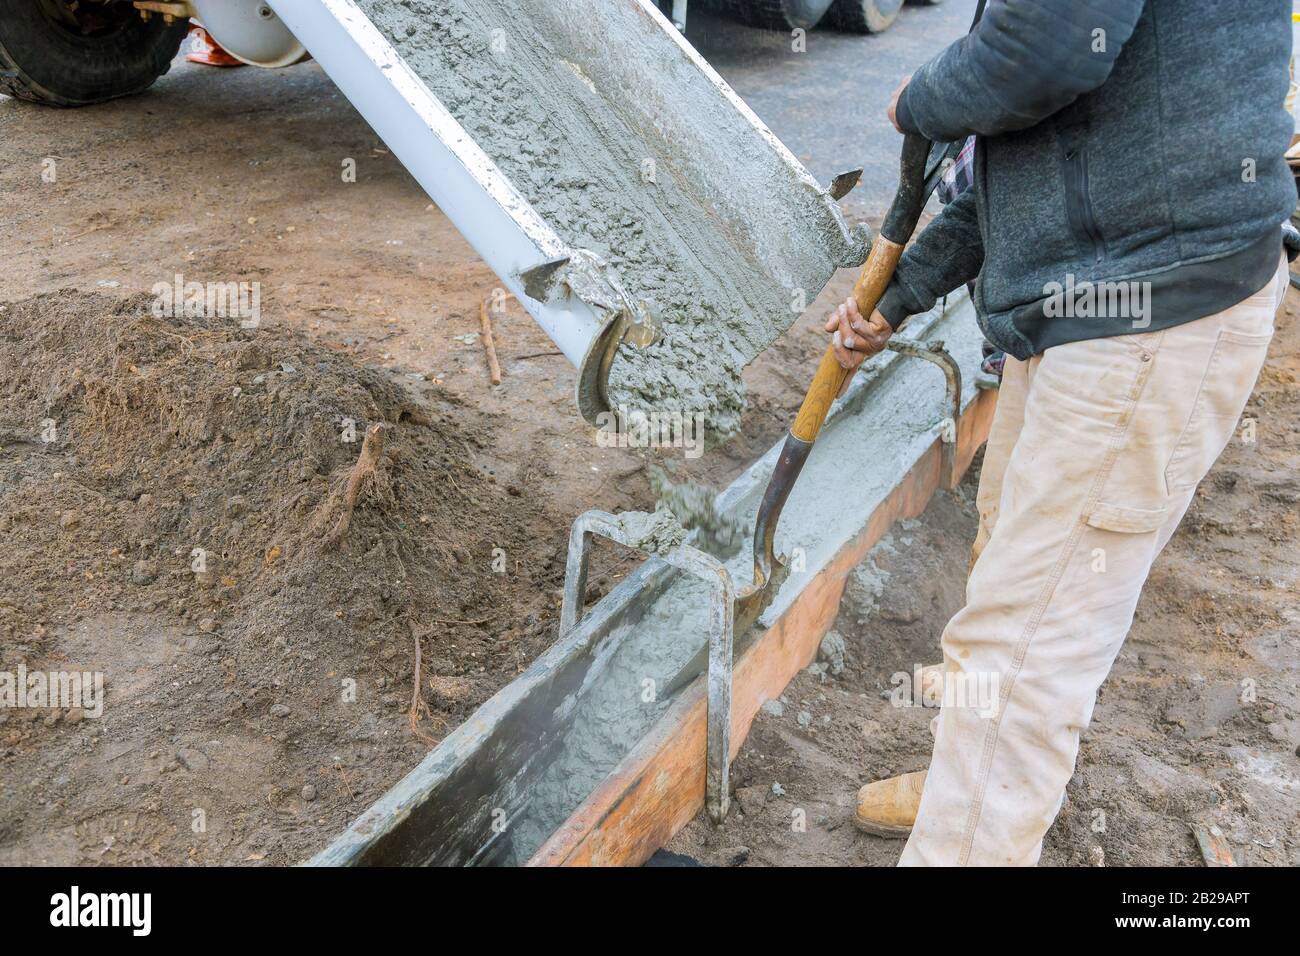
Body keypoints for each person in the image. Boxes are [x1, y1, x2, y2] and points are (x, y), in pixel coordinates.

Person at [824, 0, 1295, 865]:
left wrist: (921, 99)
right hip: (1093, 293)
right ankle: (964, 796)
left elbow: (1039, 56)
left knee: (1021, 652)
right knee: (1007, 561)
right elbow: (1036, 155)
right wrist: (901, 294)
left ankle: (967, 839)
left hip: (1146, 306)